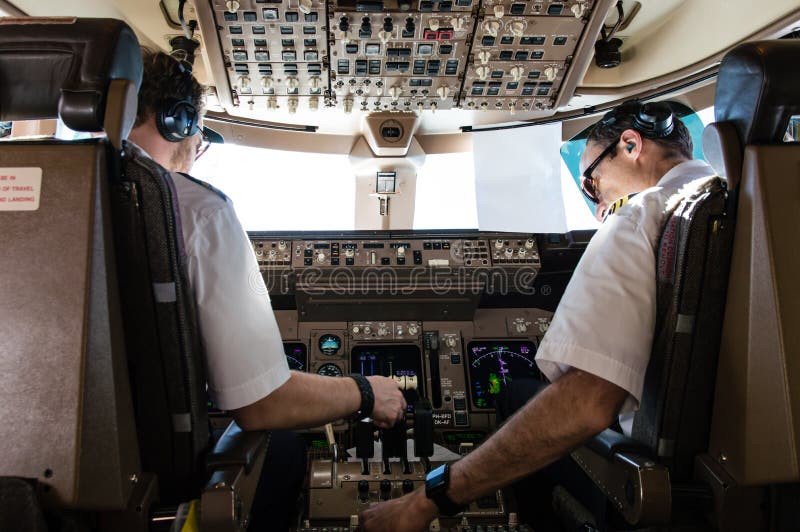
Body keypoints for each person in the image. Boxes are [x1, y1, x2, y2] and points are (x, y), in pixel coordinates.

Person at [359, 101, 718, 531]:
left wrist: (427, 500)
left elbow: (586, 403)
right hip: (718, 474)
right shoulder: (743, 208)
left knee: (517, 396)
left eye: (591, 181)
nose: (597, 201)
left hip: (642, 486)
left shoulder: (638, 217)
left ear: (630, 144)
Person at [126, 49, 407, 529]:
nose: (197, 150)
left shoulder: (29, 193)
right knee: (283, 449)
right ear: (180, 122)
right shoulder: (195, 210)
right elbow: (261, 404)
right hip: (154, 489)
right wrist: (366, 390)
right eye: (199, 137)